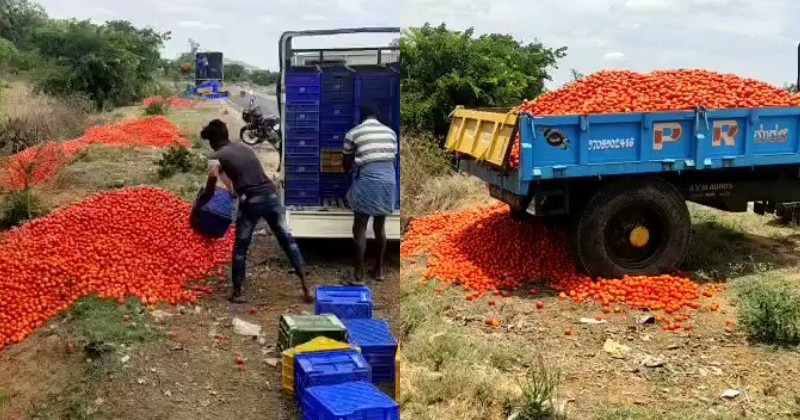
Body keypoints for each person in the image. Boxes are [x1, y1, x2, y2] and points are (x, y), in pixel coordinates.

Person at [194, 119, 311, 303]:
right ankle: (306, 287)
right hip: (271, 196)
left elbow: (210, 188)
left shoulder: (215, 156)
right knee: (287, 240)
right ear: (226, 134)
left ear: (212, 141)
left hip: (252, 201)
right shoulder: (244, 148)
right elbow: (236, 179)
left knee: (241, 246)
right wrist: (233, 190)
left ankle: (238, 292)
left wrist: (200, 205)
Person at [341, 106, 398, 286]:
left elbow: (347, 163)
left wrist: (348, 170)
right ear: (377, 115)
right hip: (388, 181)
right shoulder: (391, 133)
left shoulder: (354, 133)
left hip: (368, 181)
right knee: (380, 228)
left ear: (361, 116)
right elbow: (391, 159)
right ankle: (379, 270)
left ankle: (359, 274)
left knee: (360, 228)